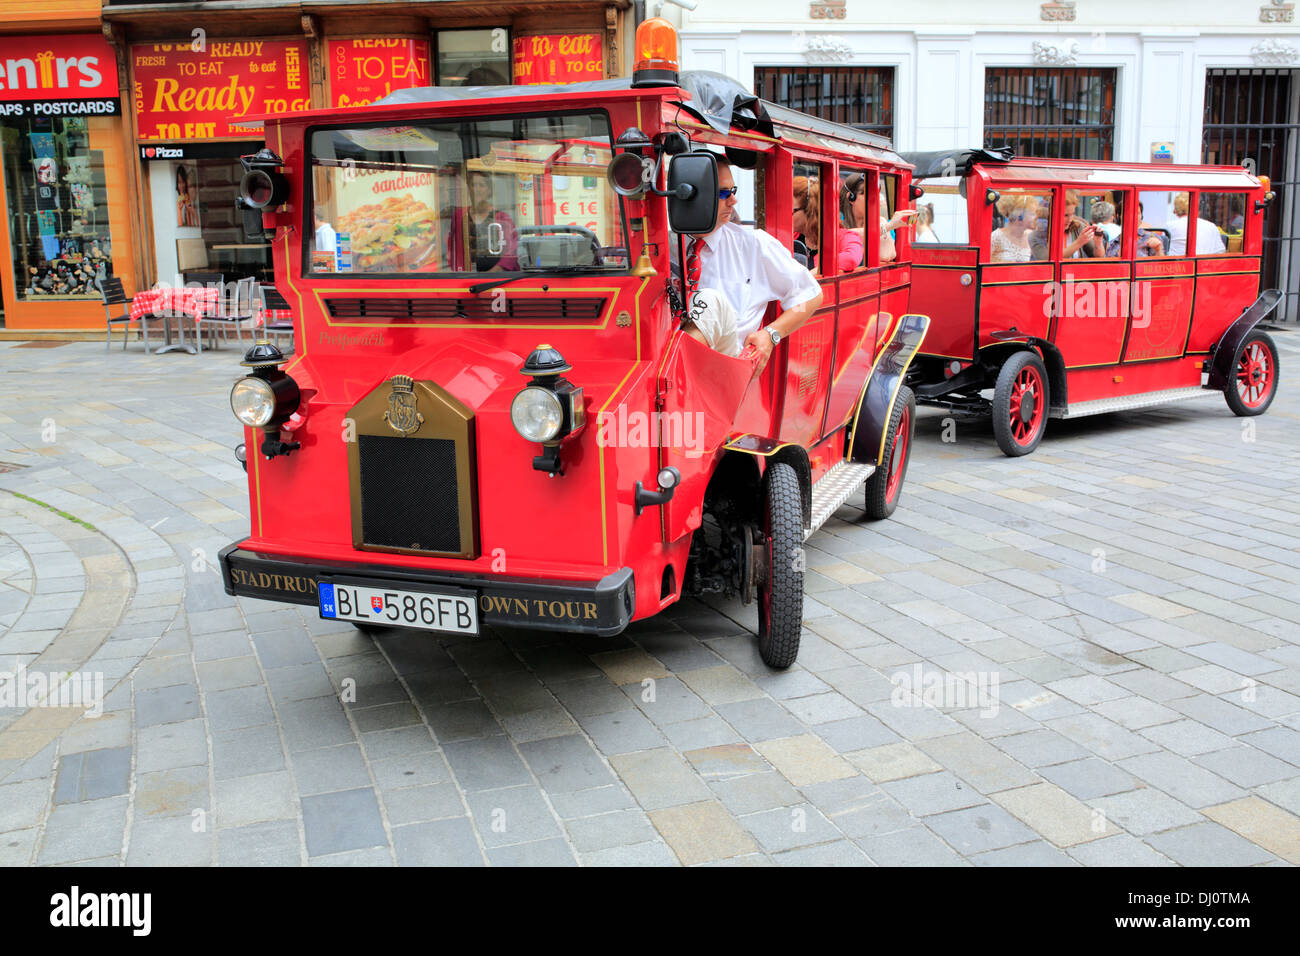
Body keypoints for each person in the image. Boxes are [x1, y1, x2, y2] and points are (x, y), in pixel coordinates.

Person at [677, 157, 823, 368]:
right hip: (672, 364)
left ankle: (678, 375)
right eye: (723, 193)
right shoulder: (662, 247)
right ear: (690, 195)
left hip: (729, 367)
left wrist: (771, 334)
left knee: (710, 301)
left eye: (733, 190)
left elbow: (810, 294)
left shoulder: (753, 244)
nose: (733, 200)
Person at [446, 171, 519, 271]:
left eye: (482, 185)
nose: (477, 189)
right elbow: (453, 248)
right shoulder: (459, 216)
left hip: (498, 277)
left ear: (489, 191)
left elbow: (512, 251)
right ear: (469, 189)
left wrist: (493, 273)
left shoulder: (502, 218)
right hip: (467, 277)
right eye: (474, 185)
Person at [990, 194, 1037, 262]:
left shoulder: (1031, 236)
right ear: (1019, 215)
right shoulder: (996, 236)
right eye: (1032, 214)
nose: (1036, 218)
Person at [792, 176, 820, 272]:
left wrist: (816, 272)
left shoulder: (842, 237)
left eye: (791, 211)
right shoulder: (791, 237)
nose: (785, 215)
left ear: (809, 211)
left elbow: (851, 258)